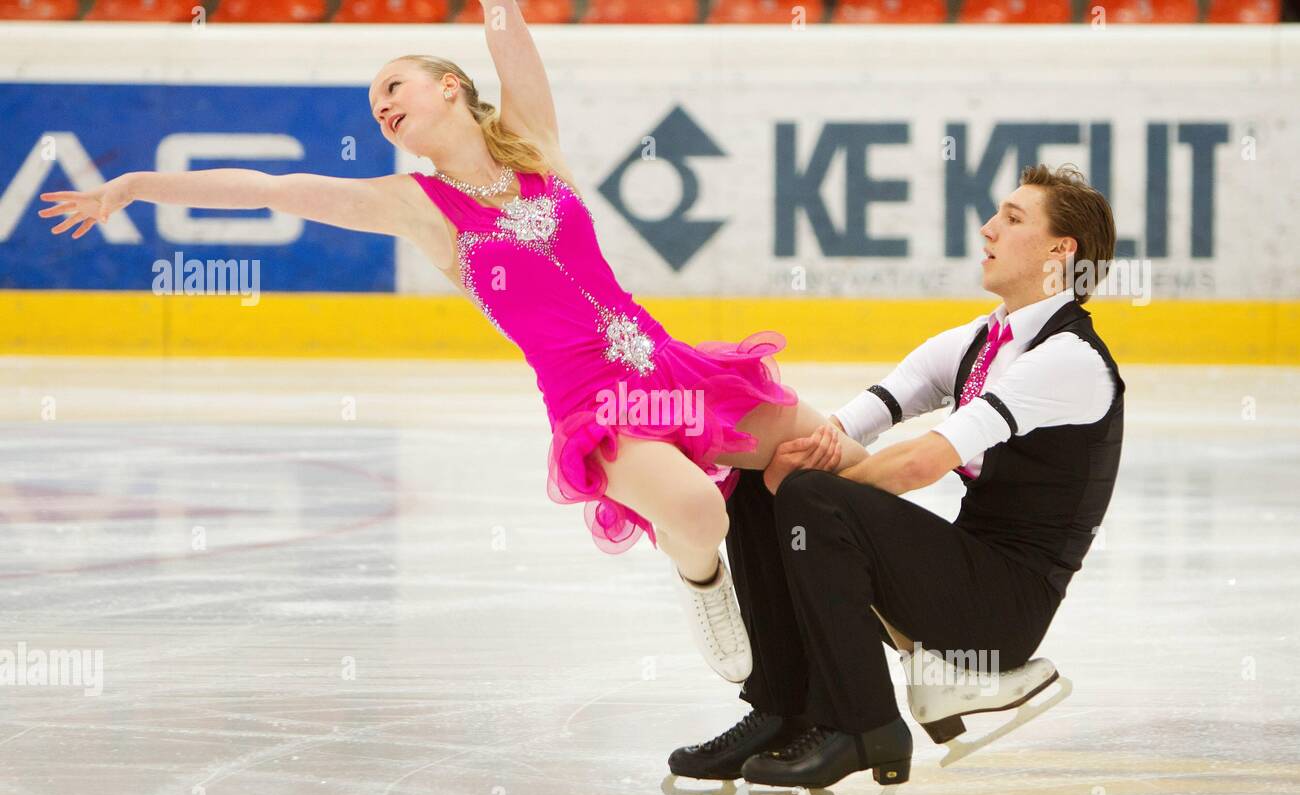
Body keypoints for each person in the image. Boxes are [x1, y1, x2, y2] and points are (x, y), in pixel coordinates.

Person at [36, 0, 870, 683]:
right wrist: (138, 186)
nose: (384, 108)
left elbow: (508, 33)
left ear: (449, 86)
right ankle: (704, 583)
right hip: (597, 400)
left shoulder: (534, 144)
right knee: (693, 511)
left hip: (668, 363)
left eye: (394, 86)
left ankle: (923, 613)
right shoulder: (419, 207)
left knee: (838, 453)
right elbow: (274, 188)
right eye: (375, 108)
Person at [667, 164, 1124, 795]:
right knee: (760, 479)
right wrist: (788, 461)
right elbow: (860, 418)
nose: (989, 228)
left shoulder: (1069, 358)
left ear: (1061, 250)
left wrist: (802, 485)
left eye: (1014, 219)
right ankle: (781, 709)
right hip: (959, 576)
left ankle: (866, 726)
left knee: (805, 495)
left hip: (1002, 608)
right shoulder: (979, 340)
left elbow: (918, 465)